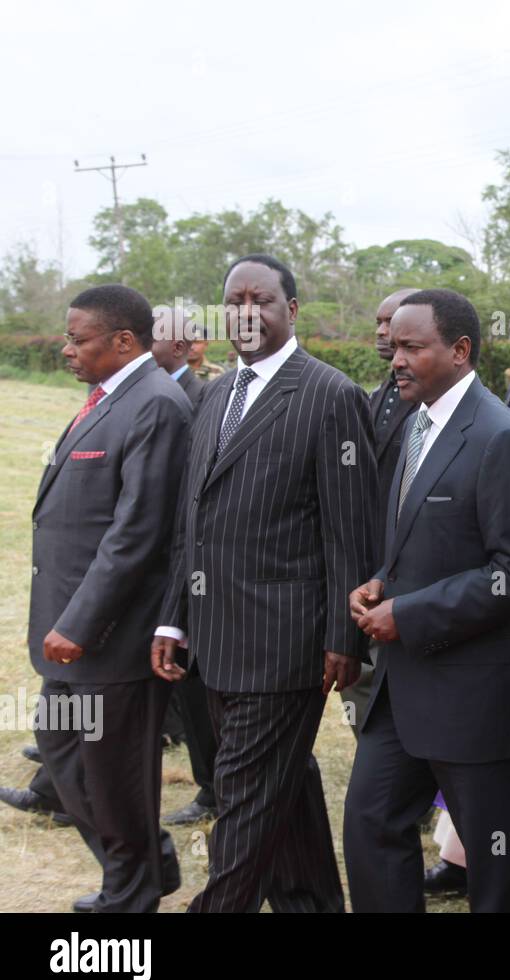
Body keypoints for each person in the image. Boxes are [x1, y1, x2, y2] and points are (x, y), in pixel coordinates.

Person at [152, 253, 379, 912]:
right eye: (233, 302)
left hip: (286, 646)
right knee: (285, 786)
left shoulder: (331, 395)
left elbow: (351, 530)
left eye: (260, 300)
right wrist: (173, 617)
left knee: (244, 801)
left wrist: (344, 637)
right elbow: (189, 518)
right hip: (212, 638)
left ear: (293, 311)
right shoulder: (216, 393)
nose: (244, 314)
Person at [343, 289, 510, 913]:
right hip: (404, 690)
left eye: (413, 347)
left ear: (460, 351)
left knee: (491, 859)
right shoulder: (417, 423)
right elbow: (426, 540)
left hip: (476, 695)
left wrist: (405, 613)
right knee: (369, 823)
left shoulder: (499, 437)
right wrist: (383, 579)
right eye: (395, 347)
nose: (396, 360)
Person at [30, 283, 191, 912]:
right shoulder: (105, 399)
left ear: (124, 341)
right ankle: (147, 862)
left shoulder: (156, 405)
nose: (66, 350)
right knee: (60, 747)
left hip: (110, 637)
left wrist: (82, 621)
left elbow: (138, 532)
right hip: (70, 633)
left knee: (114, 774)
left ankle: (130, 895)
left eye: (78, 339)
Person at [145, 304, 220, 826]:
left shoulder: (199, 396)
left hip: (195, 558)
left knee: (200, 683)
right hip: (171, 562)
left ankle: (217, 788)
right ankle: (208, 784)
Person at [344, 288, 420, 738]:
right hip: (369, 563)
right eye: (377, 321)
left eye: (389, 322)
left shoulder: (431, 402)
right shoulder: (377, 395)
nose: (380, 331)